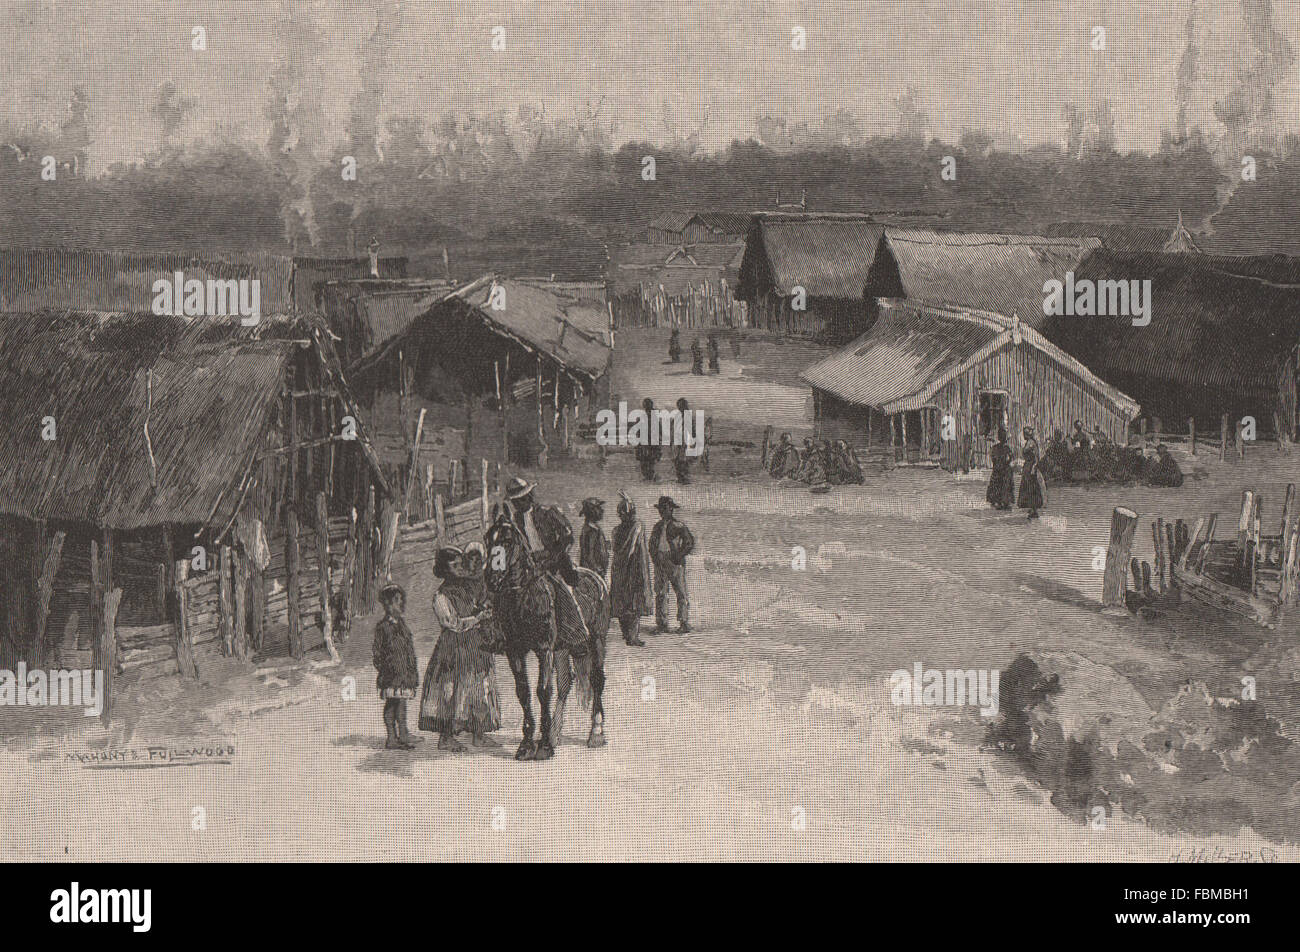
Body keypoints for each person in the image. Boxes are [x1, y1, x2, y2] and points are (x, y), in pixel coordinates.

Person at [419, 546, 499, 752]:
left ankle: (479, 734)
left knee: (479, 686)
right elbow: (453, 623)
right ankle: (446, 737)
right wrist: (478, 618)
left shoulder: (467, 587)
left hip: (475, 644)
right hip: (453, 647)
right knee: (450, 690)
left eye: (460, 563)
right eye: (454, 566)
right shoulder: (441, 596)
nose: (460, 568)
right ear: (445, 570)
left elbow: (482, 599)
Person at [504, 476, 589, 649]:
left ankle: (577, 633)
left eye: (520, 499)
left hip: (555, 563)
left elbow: (567, 537)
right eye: (514, 501)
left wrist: (549, 555)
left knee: (564, 592)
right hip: (530, 567)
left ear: (529, 497)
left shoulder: (548, 512)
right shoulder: (515, 520)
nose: (517, 504)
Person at [373, 584, 420, 750]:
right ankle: (392, 737)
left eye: (402, 601)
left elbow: (409, 650)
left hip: (404, 675)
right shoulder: (383, 628)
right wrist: (387, 670)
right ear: (387, 604)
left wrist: (412, 672)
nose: (401, 604)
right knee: (392, 705)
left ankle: (403, 733)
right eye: (397, 601)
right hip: (391, 676)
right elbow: (377, 654)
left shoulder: (402, 625)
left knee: (401, 705)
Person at [609, 492, 652, 646]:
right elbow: (629, 549)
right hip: (633, 570)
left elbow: (617, 548)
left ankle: (628, 635)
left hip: (622, 569)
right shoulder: (637, 526)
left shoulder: (617, 530)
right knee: (631, 601)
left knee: (625, 600)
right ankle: (631, 637)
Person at [650, 496, 695, 633]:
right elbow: (651, 544)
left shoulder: (679, 525)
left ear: (671, 509)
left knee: (680, 591)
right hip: (660, 561)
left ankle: (684, 622)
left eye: (665, 509)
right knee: (661, 592)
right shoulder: (657, 526)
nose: (663, 512)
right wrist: (655, 557)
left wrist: (678, 556)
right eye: (661, 509)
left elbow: (689, 543)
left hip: (674, 562)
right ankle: (662, 624)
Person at [1018, 426, 1046, 520]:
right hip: (1027, 467)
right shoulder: (1028, 442)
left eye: (1025, 433)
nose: (1023, 435)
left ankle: (1034, 509)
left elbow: (1036, 457)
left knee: (1032, 488)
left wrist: (1034, 467)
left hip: (1031, 468)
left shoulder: (1032, 443)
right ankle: (1030, 507)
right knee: (1027, 487)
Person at [986, 426, 1015, 510]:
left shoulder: (994, 448)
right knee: (1005, 485)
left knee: (997, 484)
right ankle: (1005, 502)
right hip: (1005, 469)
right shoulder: (1006, 448)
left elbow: (992, 458)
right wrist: (1006, 463)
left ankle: (997, 501)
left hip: (997, 469)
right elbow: (1010, 458)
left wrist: (997, 464)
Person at [579, 497, 610, 577]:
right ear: (592, 511)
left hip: (595, 572)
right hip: (593, 573)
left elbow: (597, 546)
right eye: (598, 508)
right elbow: (589, 553)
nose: (602, 511)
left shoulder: (593, 528)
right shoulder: (591, 531)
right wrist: (597, 569)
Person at [634, 397, 661, 481]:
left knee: (649, 459)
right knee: (645, 459)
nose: (645, 406)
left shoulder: (654, 416)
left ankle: (650, 476)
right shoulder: (643, 416)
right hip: (645, 441)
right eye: (645, 404)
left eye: (646, 404)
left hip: (650, 441)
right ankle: (648, 476)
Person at [672, 397, 692, 484]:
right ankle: (680, 478)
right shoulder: (678, 417)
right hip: (677, 442)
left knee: (682, 461)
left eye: (681, 406)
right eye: (679, 406)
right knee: (677, 461)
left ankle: (684, 478)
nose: (680, 407)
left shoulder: (687, 417)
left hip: (684, 442)